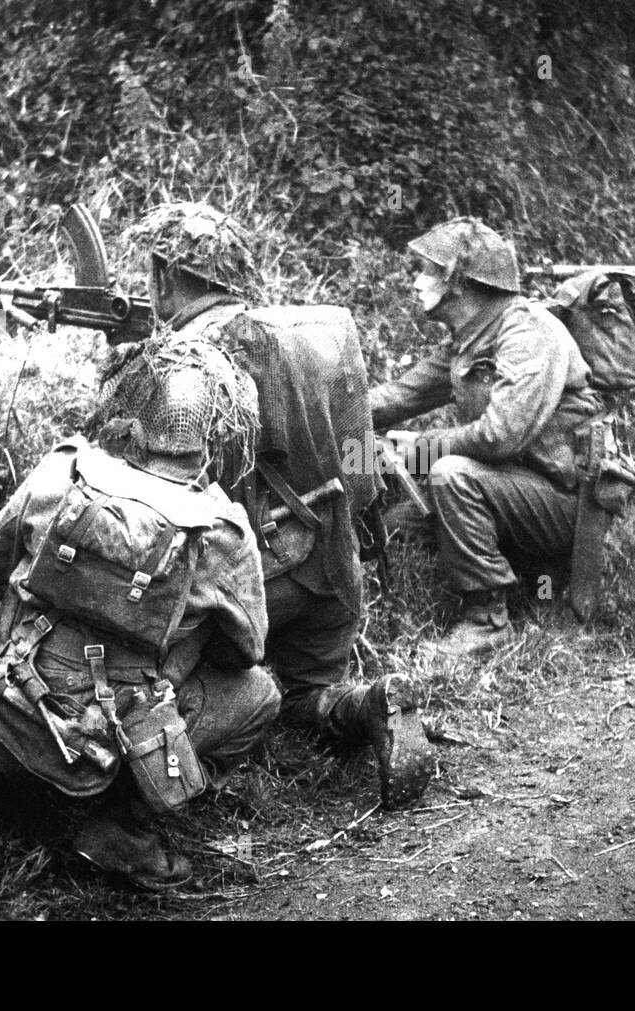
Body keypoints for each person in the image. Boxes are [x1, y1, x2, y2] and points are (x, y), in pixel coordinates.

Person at [0, 341, 281, 890]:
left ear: (133, 426)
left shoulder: (62, 472)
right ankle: (128, 827)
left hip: (10, 714)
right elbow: (246, 650)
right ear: (212, 438)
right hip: (118, 748)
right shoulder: (223, 530)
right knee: (260, 694)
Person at [99, 202, 434, 810]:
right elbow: (362, 454)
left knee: (136, 674)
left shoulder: (183, 359)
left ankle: (148, 796)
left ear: (166, 277)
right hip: (334, 572)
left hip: (254, 588)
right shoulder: (319, 331)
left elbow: (142, 495)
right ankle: (368, 703)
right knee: (309, 694)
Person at [368, 217, 603, 657]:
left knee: (449, 474)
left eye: (426, 272)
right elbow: (401, 395)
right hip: (509, 486)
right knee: (393, 530)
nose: (416, 284)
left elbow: (500, 437)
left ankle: (488, 618)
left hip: (562, 500)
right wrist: (328, 410)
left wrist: (420, 449)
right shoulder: (472, 338)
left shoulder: (528, 334)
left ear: (458, 282)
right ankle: (413, 609)